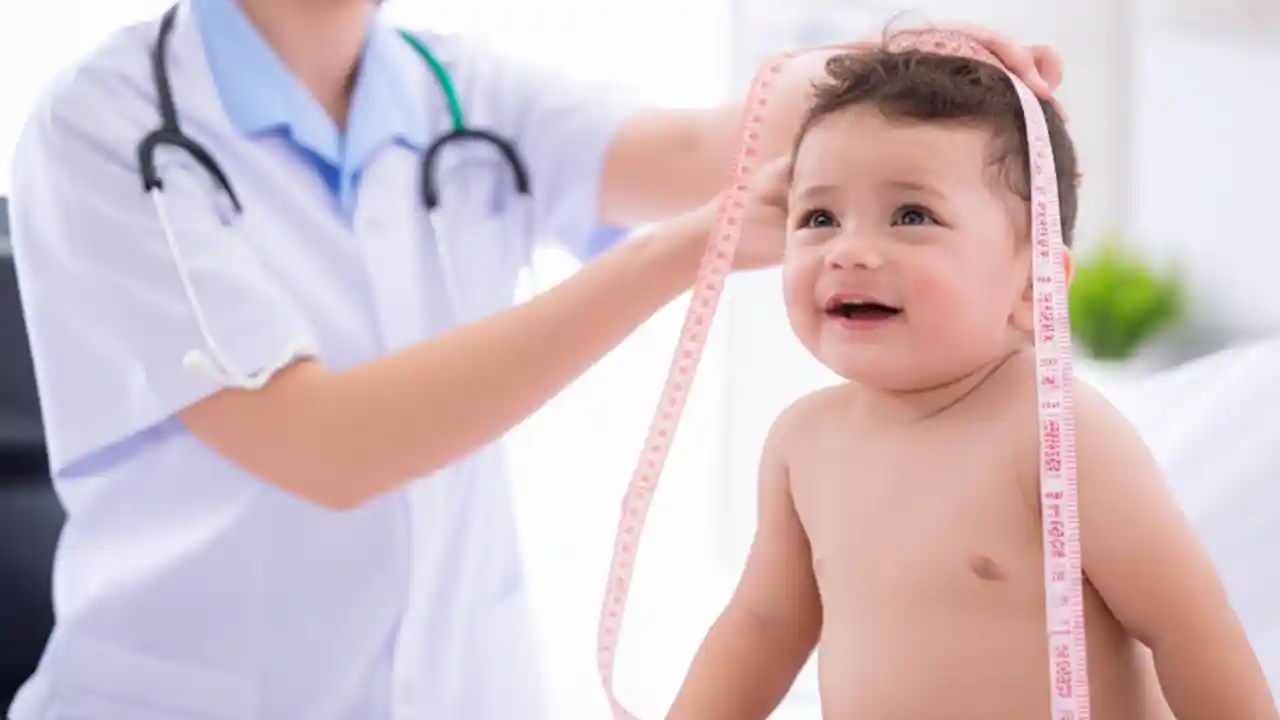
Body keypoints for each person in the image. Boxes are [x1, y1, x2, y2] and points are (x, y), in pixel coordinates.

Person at [5, 0, 1065, 717]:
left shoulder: (452, 87)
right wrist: (679, 250)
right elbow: (326, 447)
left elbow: (707, 147)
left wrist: (885, 63)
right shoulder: (106, 127)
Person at [666, 42, 1279, 719]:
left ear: (1034, 285)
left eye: (912, 216)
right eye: (819, 218)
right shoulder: (802, 441)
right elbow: (764, 624)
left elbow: (1186, 625)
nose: (849, 250)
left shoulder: (1055, 432)